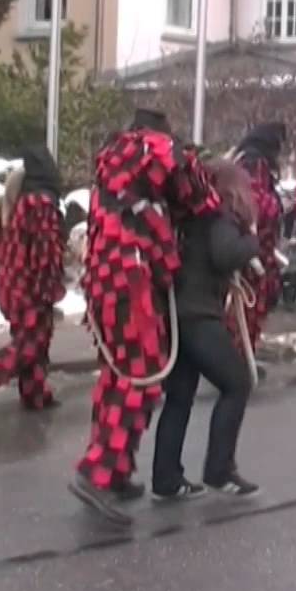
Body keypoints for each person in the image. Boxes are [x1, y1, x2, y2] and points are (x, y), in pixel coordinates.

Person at [69, 108, 220, 526]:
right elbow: (200, 200)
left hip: (107, 278)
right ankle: (96, 472)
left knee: (116, 375)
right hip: (130, 280)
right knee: (139, 376)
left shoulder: (114, 162)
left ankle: (116, 472)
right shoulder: (158, 150)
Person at [152, 159, 261, 500]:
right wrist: (254, 244)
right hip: (199, 316)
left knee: (180, 396)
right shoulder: (221, 217)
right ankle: (219, 469)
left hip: (179, 315)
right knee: (237, 383)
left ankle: (167, 477)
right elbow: (225, 254)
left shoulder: (192, 218)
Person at [0, 146, 67, 412]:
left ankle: (34, 395)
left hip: (13, 283)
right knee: (31, 343)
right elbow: (45, 254)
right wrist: (50, 290)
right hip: (30, 286)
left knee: (31, 338)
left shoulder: (23, 203)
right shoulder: (43, 204)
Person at [229, 122, 286, 352]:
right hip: (256, 244)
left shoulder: (242, 157)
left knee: (246, 302)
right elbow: (258, 202)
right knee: (252, 302)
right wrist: (280, 206)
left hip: (250, 240)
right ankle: (242, 355)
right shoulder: (255, 163)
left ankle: (243, 352)